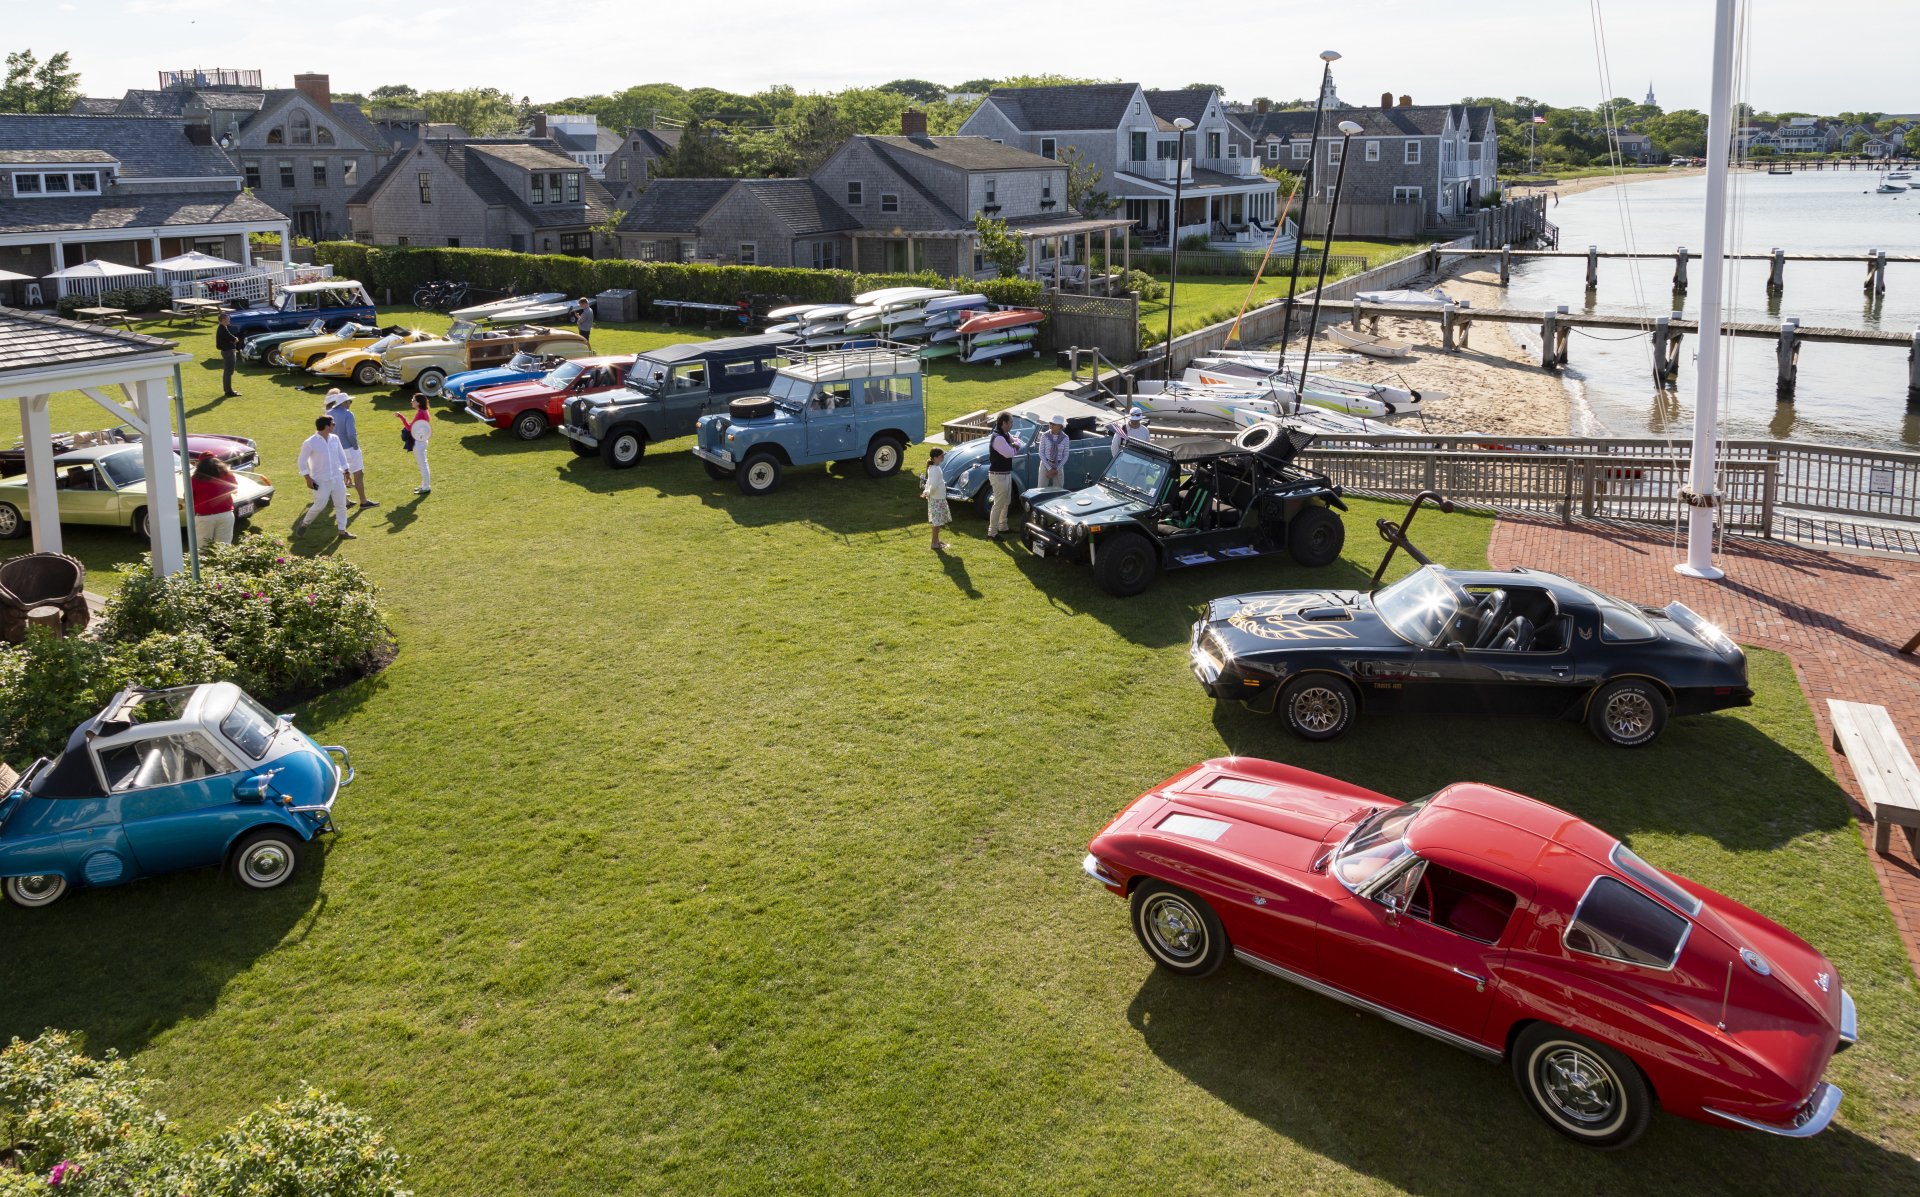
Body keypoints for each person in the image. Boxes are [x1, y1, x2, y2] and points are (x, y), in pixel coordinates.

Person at [294, 415, 354, 540]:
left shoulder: (335, 438)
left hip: (337, 477)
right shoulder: (310, 442)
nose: (334, 426)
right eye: (333, 424)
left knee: (341, 505)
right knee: (319, 505)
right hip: (320, 480)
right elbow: (301, 461)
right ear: (326, 426)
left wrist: (346, 471)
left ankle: (342, 531)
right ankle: (304, 524)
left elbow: (341, 455)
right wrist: (307, 478)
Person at [323, 390, 377, 509]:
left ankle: (345, 501)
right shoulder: (348, 414)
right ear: (344, 402)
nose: (350, 403)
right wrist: (356, 447)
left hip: (334, 450)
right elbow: (351, 434)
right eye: (349, 401)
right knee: (358, 474)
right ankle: (363, 501)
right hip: (349, 449)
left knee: (341, 475)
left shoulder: (328, 413)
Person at [985, 411, 1022, 539]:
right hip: (998, 475)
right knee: (998, 503)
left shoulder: (1005, 434)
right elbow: (1009, 453)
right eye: (1011, 422)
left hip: (1005, 473)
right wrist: (1015, 447)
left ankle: (1003, 526)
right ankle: (992, 532)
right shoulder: (999, 437)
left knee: (1006, 501)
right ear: (1004, 423)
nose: (1012, 424)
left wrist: (1015, 445)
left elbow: (1018, 441)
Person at [190, 452, 238, 546]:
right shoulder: (228, 475)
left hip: (204, 517)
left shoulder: (195, 479)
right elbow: (234, 490)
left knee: (203, 548)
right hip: (226, 514)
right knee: (224, 547)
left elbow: (189, 497)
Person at [398, 395, 432, 494]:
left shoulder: (420, 413)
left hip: (418, 442)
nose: (411, 401)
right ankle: (424, 485)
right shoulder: (423, 412)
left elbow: (409, 428)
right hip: (422, 440)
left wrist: (401, 417)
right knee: (423, 464)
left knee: (423, 465)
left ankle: (426, 487)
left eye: (413, 400)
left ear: (418, 403)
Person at [921, 447, 951, 552]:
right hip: (937, 498)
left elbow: (929, 482)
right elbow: (932, 485)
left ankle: (936, 540)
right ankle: (934, 543)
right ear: (935, 458)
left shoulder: (933, 467)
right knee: (936, 522)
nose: (943, 458)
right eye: (941, 456)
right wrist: (928, 492)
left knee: (937, 521)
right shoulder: (935, 469)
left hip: (938, 497)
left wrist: (926, 491)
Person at [1035, 414, 1070, 490]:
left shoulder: (1065, 438)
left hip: (1059, 465)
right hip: (1045, 464)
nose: (1051, 425)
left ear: (1060, 426)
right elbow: (1041, 452)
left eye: (1054, 424)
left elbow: (1066, 455)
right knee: (1041, 489)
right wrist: (1049, 469)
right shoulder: (1045, 435)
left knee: (1058, 490)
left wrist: (1056, 469)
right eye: (1050, 423)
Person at [214, 309, 240, 397]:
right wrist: (235, 339)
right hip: (228, 352)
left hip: (226, 351)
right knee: (229, 372)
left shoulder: (222, 328)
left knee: (227, 372)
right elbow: (232, 338)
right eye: (227, 319)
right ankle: (229, 391)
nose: (228, 320)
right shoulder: (222, 328)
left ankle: (227, 390)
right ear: (223, 320)